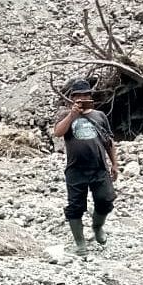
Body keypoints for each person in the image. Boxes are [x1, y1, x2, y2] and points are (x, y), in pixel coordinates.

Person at [51, 78, 118, 255]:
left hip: (99, 167)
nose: (81, 98)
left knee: (105, 200)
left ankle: (97, 227)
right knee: (75, 206)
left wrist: (115, 164)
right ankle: (80, 243)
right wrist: (72, 115)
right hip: (75, 169)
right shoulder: (66, 115)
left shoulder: (99, 116)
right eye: (77, 96)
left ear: (90, 96)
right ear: (72, 98)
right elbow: (58, 132)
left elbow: (109, 142)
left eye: (84, 95)